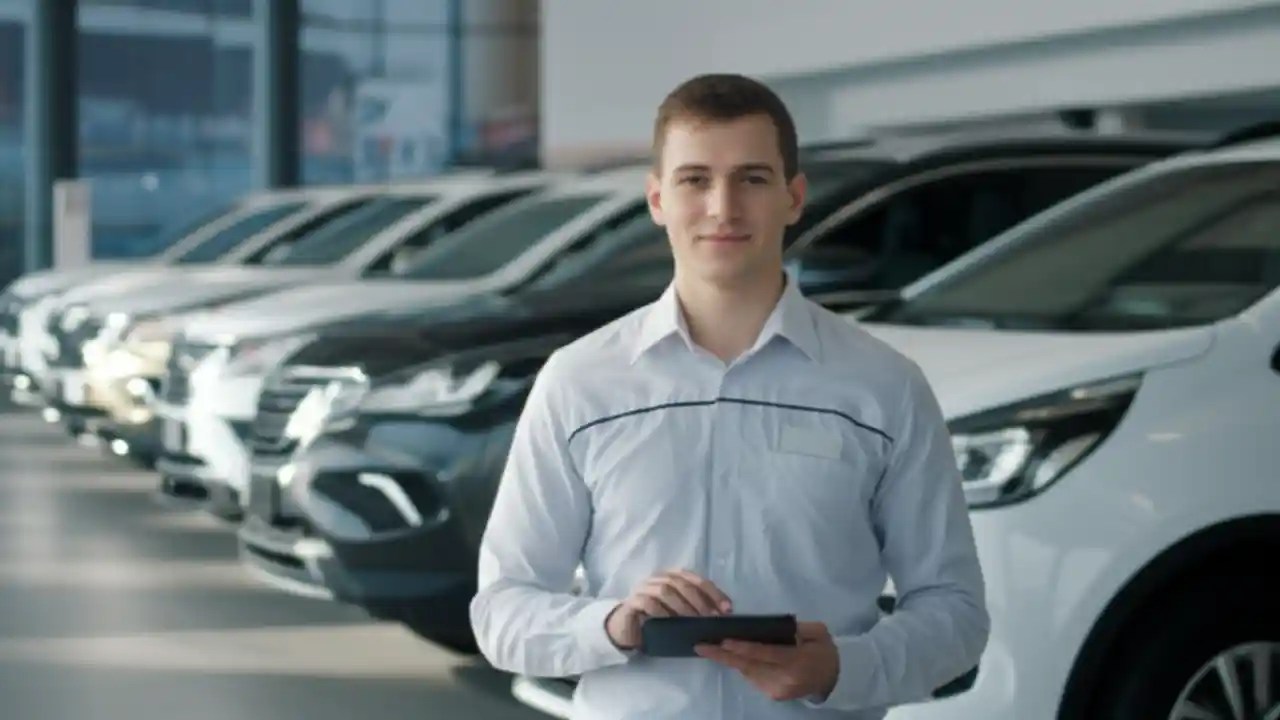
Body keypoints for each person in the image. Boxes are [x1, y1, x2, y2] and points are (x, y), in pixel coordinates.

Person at [469, 73, 989, 719]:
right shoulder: (580, 381)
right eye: (695, 180)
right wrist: (614, 624)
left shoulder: (882, 386)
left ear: (793, 197)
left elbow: (955, 612)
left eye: (752, 178)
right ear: (657, 198)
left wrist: (843, 668)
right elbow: (501, 612)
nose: (723, 207)